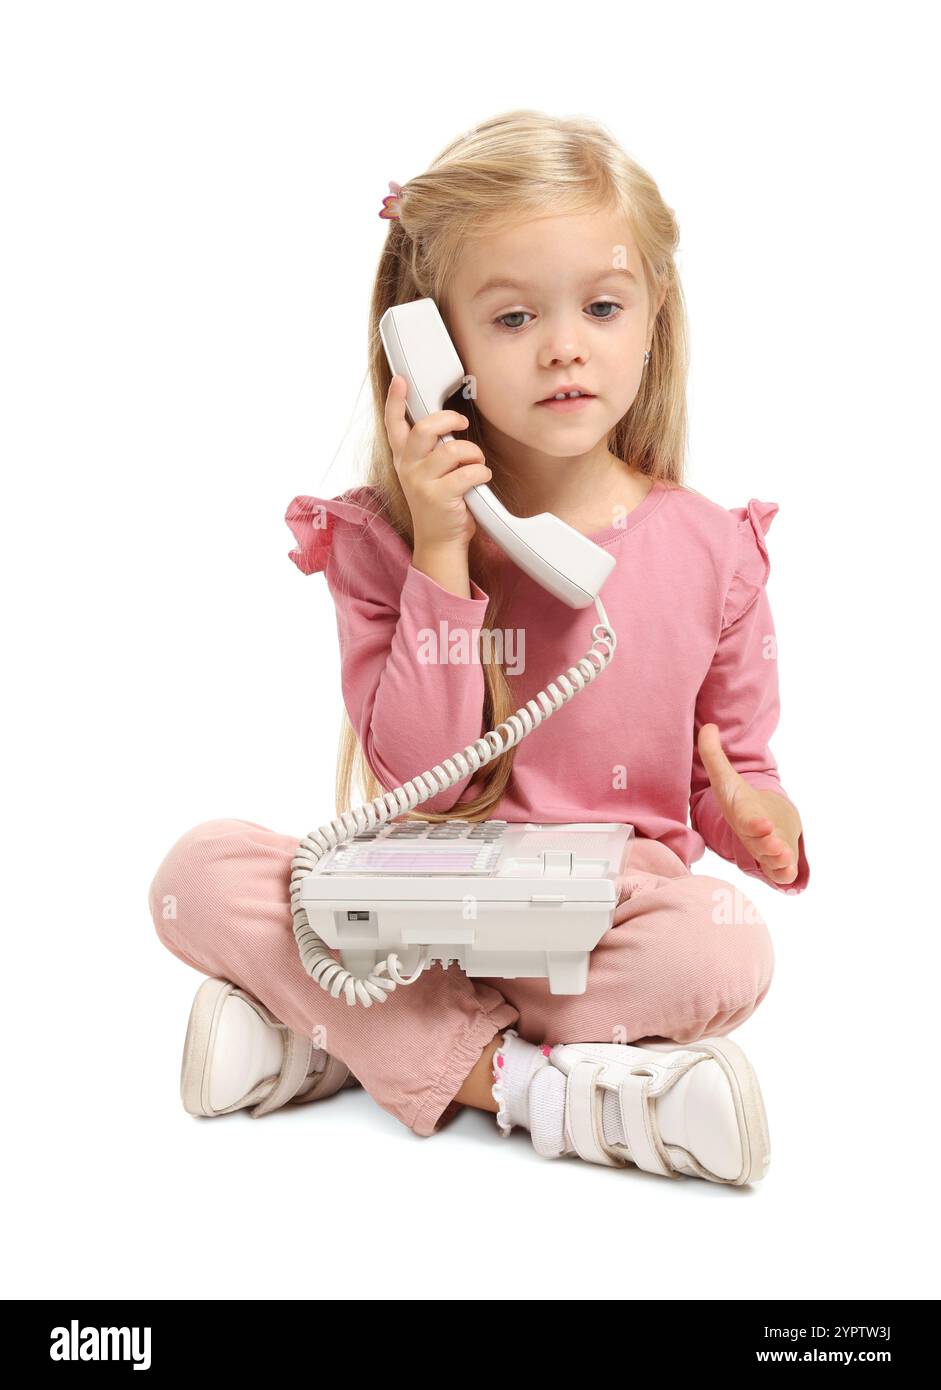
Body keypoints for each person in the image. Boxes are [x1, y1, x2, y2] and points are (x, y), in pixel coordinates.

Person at [148, 109, 809, 1187]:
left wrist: (758, 822)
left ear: (651, 320)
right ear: (434, 350)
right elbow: (418, 773)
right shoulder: (382, 541)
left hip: (596, 916)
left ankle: (336, 1035)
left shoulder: (708, 551)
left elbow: (732, 770)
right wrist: (443, 549)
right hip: (419, 888)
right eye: (511, 317)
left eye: (600, 307)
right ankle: (539, 1090)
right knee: (199, 871)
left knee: (724, 949)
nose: (563, 344)